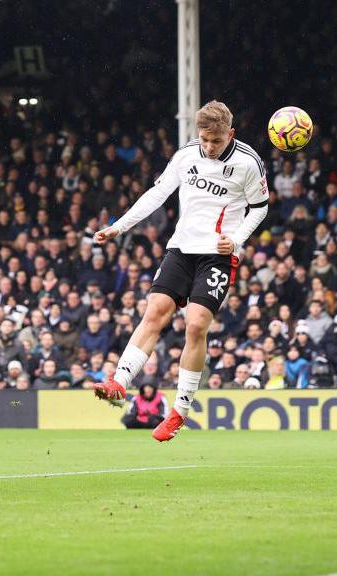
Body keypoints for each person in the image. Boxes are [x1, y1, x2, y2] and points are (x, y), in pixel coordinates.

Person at [92, 100, 268, 442]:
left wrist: (236, 239)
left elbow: (260, 208)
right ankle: (119, 382)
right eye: (204, 139)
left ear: (230, 134)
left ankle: (179, 411)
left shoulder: (248, 162)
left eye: (216, 140)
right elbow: (157, 194)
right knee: (155, 311)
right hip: (182, 248)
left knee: (196, 324)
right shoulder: (186, 155)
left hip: (217, 254)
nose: (209, 146)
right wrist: (119, 226)